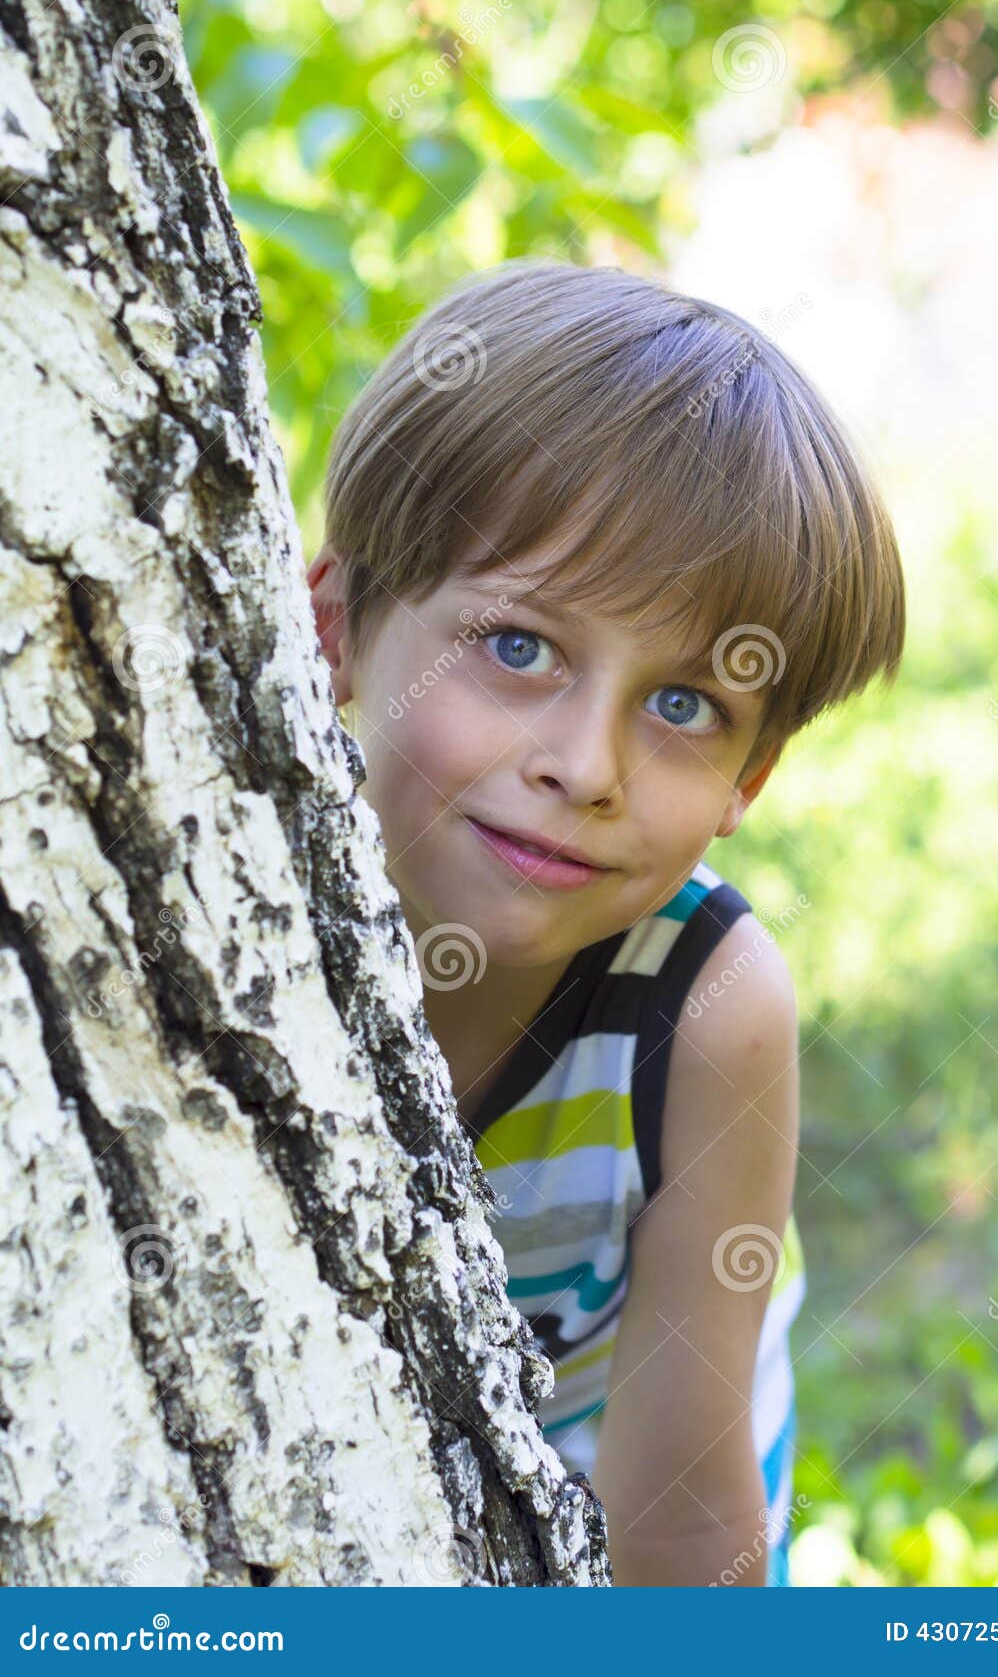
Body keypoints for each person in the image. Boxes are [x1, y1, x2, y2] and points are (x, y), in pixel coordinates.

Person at [306, 259, 905, 1586]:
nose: (587, 765)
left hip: (585, 1521)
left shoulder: (704, 1003)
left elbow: (682, 1523)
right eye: (520, 647)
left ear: (751, 781)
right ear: (334, 630)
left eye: (684, 703)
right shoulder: (229, 910)